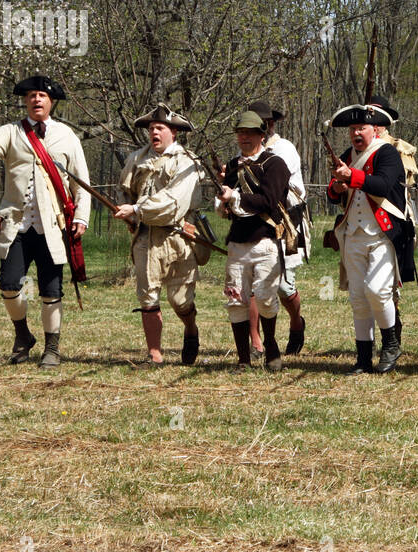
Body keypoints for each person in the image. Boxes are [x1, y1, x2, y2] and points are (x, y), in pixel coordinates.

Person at [0, 75, 90, 369]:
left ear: (51, 102)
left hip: (54, 226)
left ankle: (52, 348)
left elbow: (81, 182)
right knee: (10, 284)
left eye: (42, 96)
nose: (36, 100)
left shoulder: (66, 136)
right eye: (32, 96)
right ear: (26, 101)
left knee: (51, 290)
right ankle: (23, 335)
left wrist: (82, 218)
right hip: (16, 226)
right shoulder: (11, 131)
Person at [115, 103, 203, 367]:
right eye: (151, 128)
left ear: (173, 132)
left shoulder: (187, 161)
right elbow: (125, 189)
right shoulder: (137, 158)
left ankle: (191, 330)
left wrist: (137, 209)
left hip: (178, 238)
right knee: (147, 295)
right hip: (146, 237)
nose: (154, 132)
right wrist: (129, 214)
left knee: (180, 300)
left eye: (160, 128)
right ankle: (155, 354)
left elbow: (172, 202)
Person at [327, 103, 409, 374]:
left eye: (361, 128)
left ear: (374, 129)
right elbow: (332, 192)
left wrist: (352, 176)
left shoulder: (387, 153)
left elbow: (383, 185)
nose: (356, 134)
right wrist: (338, 186)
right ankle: (363, 358)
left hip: (382, 233)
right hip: (353, 233)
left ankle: (391, 343)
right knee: (358, 296)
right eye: (352, 129)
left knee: (377, 290)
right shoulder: (347, 155)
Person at [215, 110, 291, 370]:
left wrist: (234, 198)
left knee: (267, 298)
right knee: (235, 299)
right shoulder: (233, 166)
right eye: (240, 133)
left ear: (261, 135)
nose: (244, 137)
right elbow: (228, 205)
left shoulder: (275, 164)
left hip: (265, 241)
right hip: (238, 242)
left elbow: (270, 202)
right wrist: (223, 204)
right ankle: (243, 358)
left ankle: (270, 345)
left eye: (250, 133)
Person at [247, 100, 308, 357]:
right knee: (253, 283)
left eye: (266, 122)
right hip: (253, 221)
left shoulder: (284, 149)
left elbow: (287, 190)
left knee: (283, 287)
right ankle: (256, 342)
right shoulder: (247, 150)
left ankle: (296, 322)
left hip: (285, 223)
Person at [367, 94, 417, 343]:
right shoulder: (356, 149)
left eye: (376, 116)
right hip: (362, 224)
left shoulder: (398, 149)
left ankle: (391, 334)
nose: (371, 121)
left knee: (388, 283)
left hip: (392, 220)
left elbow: (402, 186)